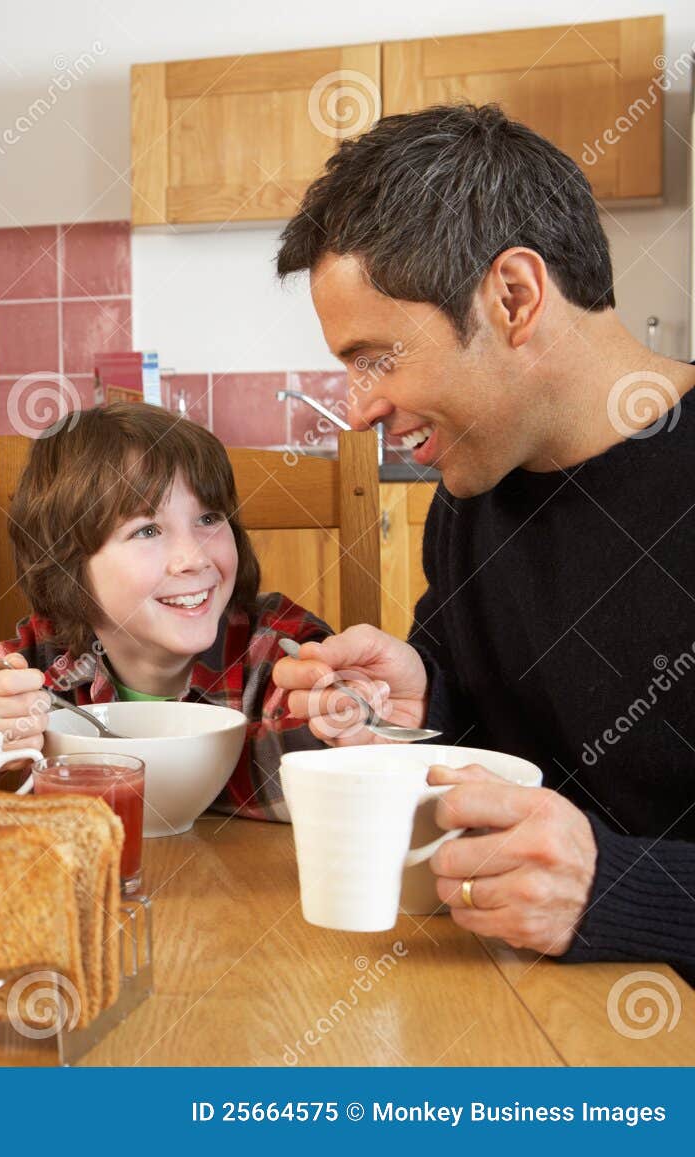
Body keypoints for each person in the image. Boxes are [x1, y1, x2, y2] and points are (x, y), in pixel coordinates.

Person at [272, 103, 695, 977]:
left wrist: (610, 889)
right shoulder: (472, 494)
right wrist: (423, 702)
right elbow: (505, 753)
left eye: (376, 357)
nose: (359, 407)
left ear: (513, 296)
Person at [0, 403, 327, 820]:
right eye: (147, 531)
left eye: (210, 519)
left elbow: (337, 770)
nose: (195, 558)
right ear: (69, 568)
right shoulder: (43, 658)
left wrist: (348, 720)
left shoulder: (277, 646)